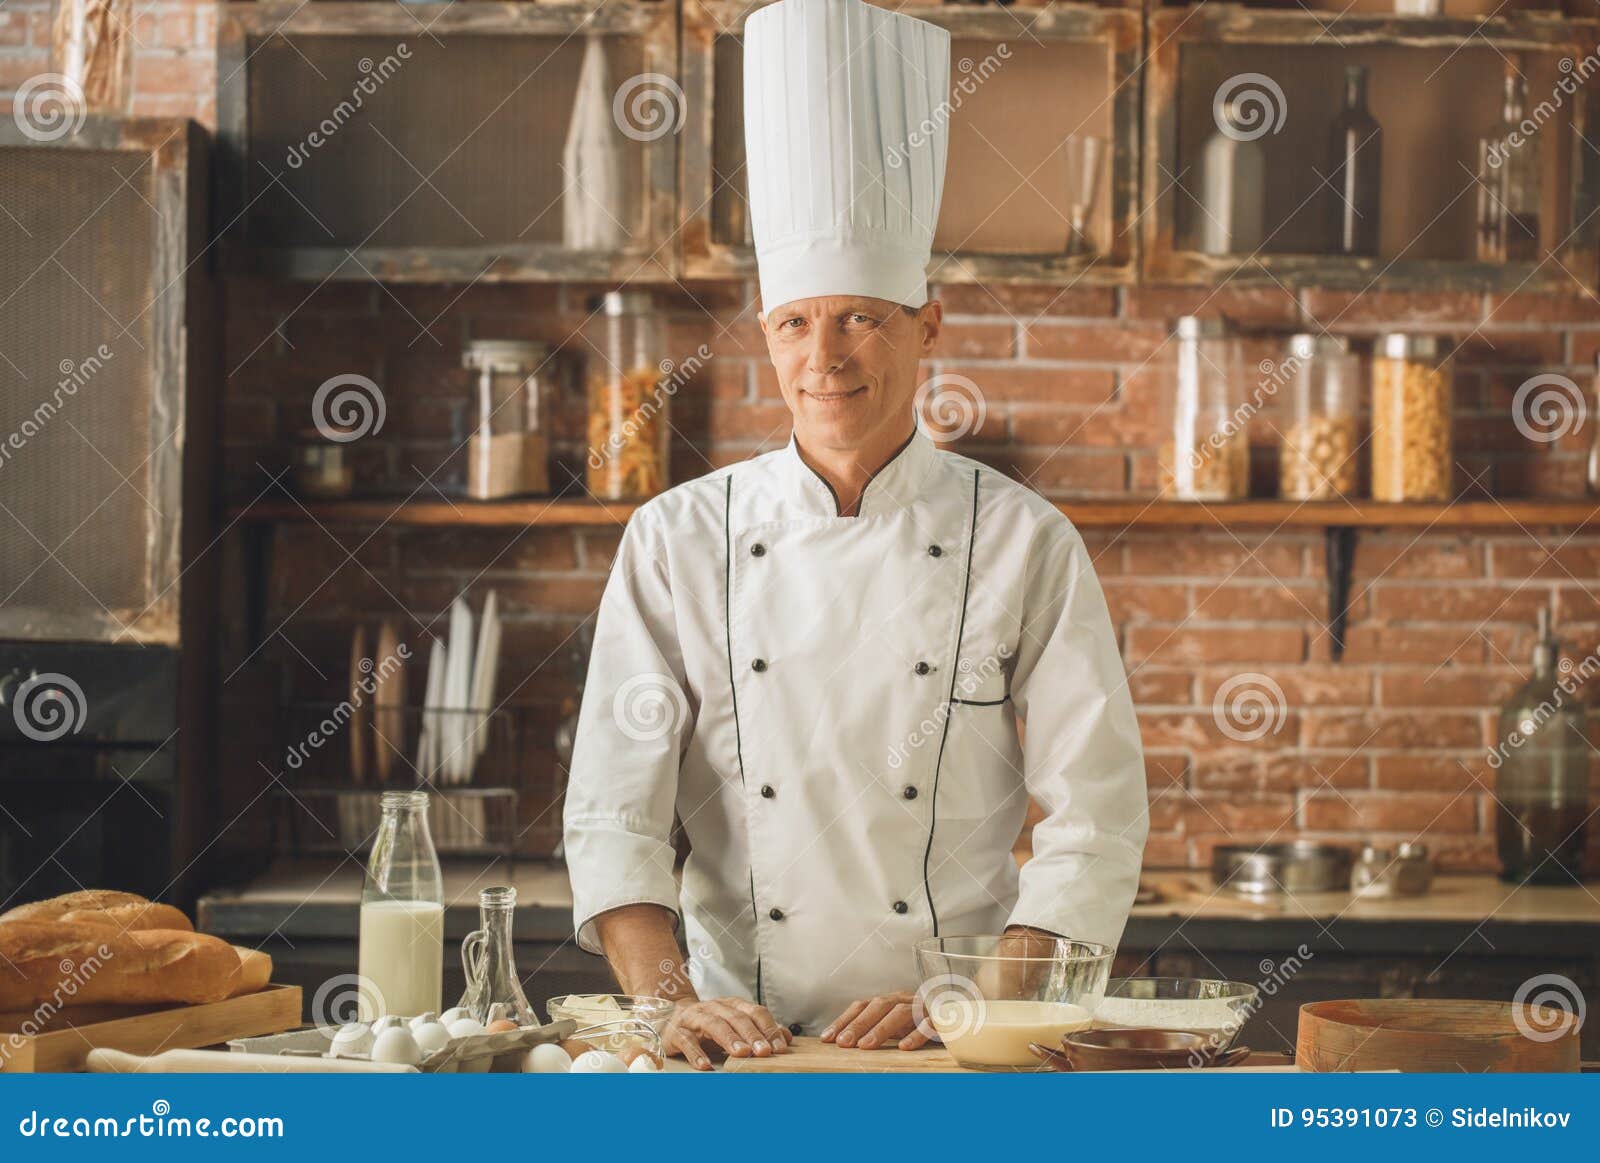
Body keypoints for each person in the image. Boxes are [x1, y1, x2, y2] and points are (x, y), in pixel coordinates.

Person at [563, 0, 1147, 1070]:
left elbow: (1096, 812)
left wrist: (976, 997)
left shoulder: (1023, 539)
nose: (824, 357)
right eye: (795, 322)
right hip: (734, 1043)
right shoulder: (675, 536)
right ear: (766, 336)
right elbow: (614, 809)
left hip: (952, 1044)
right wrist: (666, 1008)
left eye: (861, 317)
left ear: (928, 325)